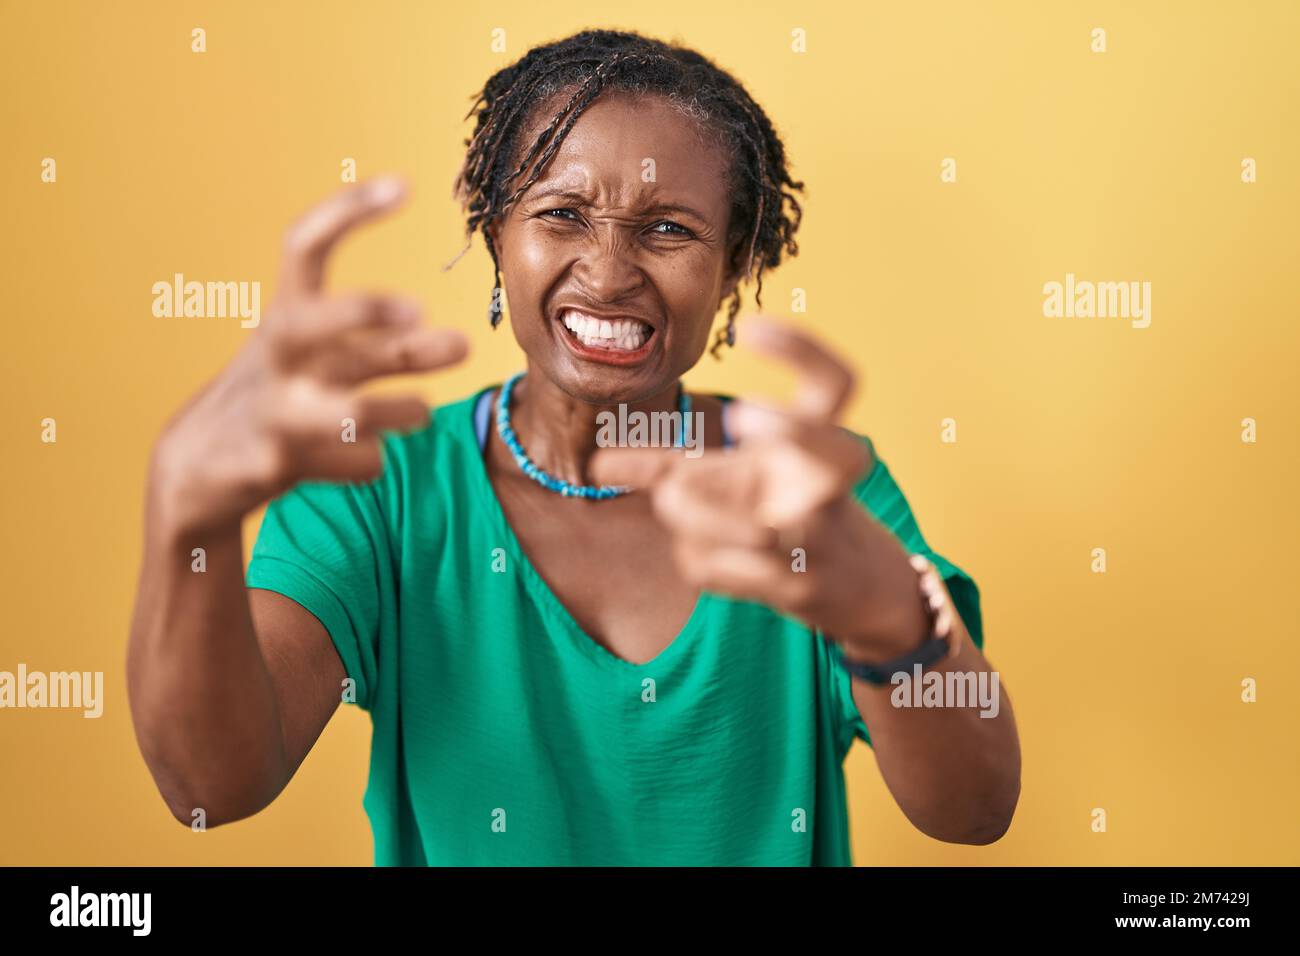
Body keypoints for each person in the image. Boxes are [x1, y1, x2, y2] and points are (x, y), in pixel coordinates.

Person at [127, 29, 1020, 865]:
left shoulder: (814, 491)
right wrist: (186, 524)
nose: (607, 271)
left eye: (670, 229)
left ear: (737, 263)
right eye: (561, 213)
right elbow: (212, 787)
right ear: (493, 231)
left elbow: (976, 810)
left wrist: (893, 629)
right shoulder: (379, 483)